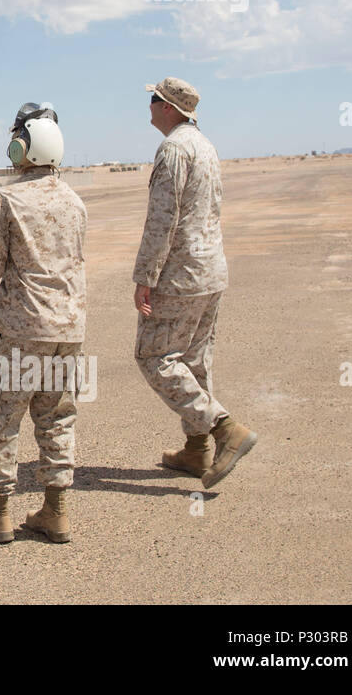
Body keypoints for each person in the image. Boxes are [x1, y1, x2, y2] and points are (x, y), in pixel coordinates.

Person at [0, 103, 86, 544]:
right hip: (67, 329)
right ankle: (55, 511)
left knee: (3, 416)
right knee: (57, 416)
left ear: (22, 147)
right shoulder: (74, 201)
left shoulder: (5, 200)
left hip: (21, 329)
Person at [133, 78, 255, 489]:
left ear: (168, 107)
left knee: (155, 357)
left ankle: (224, 430)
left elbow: (162, 221)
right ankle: (197, 449)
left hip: (179, 275)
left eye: (153, 99)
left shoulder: (173, 149)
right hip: (210, 270)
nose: (148, 105)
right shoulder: (204, 145)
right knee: (195, 361)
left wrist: (145, 277)